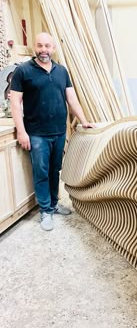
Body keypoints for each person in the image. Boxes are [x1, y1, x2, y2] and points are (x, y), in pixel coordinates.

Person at [10, 32, 94, 231]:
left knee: (55, 170)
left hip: (58, 132)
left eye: (47, 46)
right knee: (41, 172)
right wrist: (21, 132)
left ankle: (54, 204)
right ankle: (45, 210)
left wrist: (84, 121)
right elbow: (14, 103)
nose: (43, 50)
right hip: (36, 134)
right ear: (34, 47)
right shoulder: (23, 71)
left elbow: (71, 99)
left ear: (53, 48)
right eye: (40, 45)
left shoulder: (61, 71)